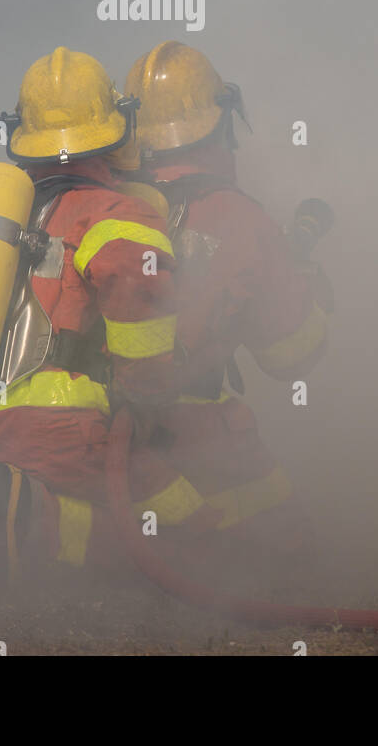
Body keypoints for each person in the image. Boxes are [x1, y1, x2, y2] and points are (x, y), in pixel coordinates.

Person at [0, 46, 217, 577]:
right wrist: (149, 392)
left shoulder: (6, 215)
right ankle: (26, 516)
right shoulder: (114, 211)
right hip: (60, 432)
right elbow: (137, 290)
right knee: (188, 532)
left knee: (156, 516)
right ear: (117, 126)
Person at [123, 40, 331, 582]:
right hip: (194, 442)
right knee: (299, 555)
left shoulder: (105, 206)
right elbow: (290, 355)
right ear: (221, 125)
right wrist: (308, 286)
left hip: (108, 442)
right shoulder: (242, 220)